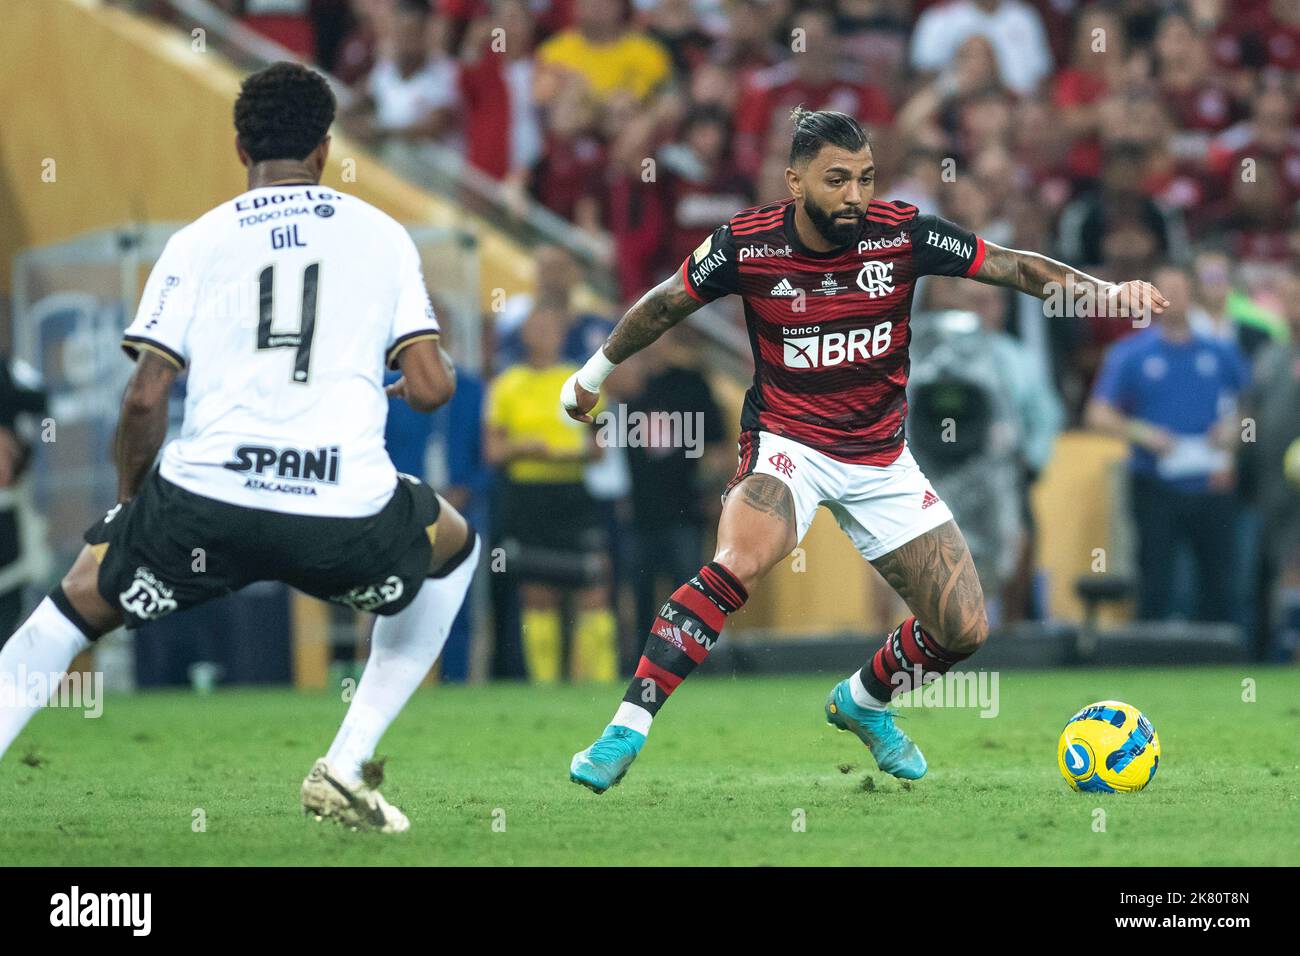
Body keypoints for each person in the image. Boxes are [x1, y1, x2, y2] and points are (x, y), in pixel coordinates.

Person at [561, 108, 1168, 792]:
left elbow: (1011, 266)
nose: (855, 195)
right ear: (794, 181)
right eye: (837, 179)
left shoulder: (901, 233)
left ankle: (864, 701)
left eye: (867, 179)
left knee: (964, 628)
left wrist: (1107, 293)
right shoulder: (747, 245)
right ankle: (625, 730)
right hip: (787, 443)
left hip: (881, 455)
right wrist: (591, 377)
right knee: (740, 560)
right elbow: (667, 303)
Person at [0, 63, 479, 834]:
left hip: (206, 507)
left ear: (237, 147)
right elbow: (429, 387)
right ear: (325, 150)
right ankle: (347, 766)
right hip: (342, 514)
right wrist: (418, 367)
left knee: (72, 607)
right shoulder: (382, 235)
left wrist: (129, 505)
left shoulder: (198, 241)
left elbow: (145, 396)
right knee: (455, 548)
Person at [1086, 264, 1249, 624]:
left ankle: (1219, 659)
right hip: (1155, 484)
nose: (1172, 298)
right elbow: (1098, 413)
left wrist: (1233, 433)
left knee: (1219, 581)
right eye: (1164, 290)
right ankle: (1154, 658)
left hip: (1210, 483)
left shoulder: (1219, 351)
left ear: (1193, 293)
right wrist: (1145, 435)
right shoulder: (1131, 353)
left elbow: (1248, 409)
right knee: (1156, 579)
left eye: (1180, 289)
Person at [485, 308, 616, 682]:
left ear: (562, 333)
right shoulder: (507, 384)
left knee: (594, 587)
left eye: (550, 326)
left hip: (572, 493)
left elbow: (599, 448)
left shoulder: (581, 380)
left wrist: (561, 454)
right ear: (524, 335)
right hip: (528, 495)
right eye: (536, 327)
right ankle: (545, 687)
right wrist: (524, 448)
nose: (544, 333)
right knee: (538, 592)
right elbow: (493, 453)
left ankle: (599, 682)